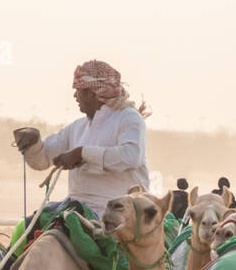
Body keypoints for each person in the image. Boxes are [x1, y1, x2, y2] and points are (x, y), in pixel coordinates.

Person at [12, 59, 150, 216]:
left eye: (79, 90)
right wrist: (33, 142)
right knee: (32, 225)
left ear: (95, 94)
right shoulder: (77, 127)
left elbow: (131, 157)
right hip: (75, 208)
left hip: (118, 213)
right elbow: (43, 160)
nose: (74, 96)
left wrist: (82, 153)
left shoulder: (129, 118)